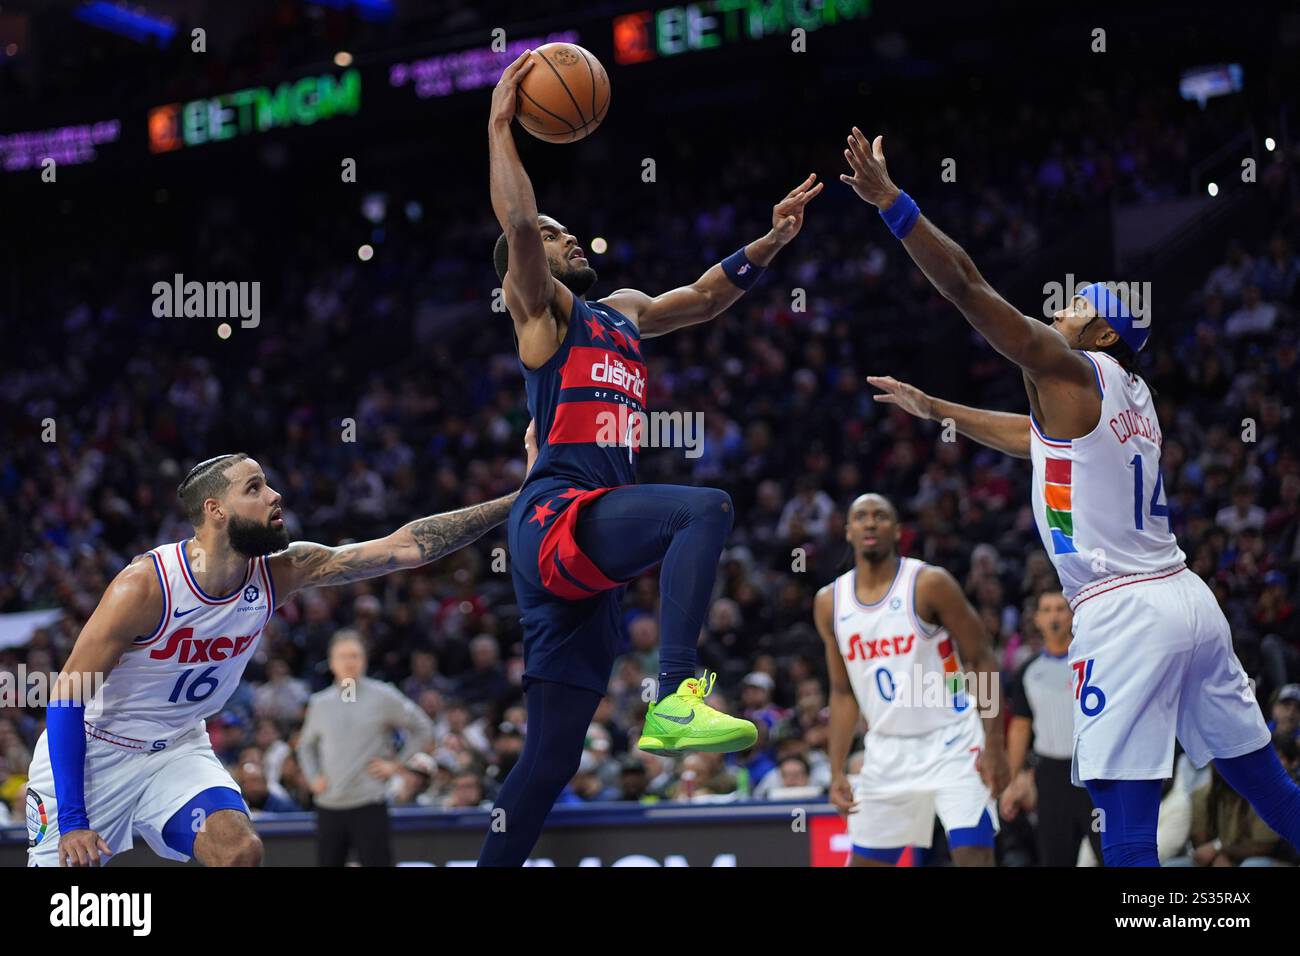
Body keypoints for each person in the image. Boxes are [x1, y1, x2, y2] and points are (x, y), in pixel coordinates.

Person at [844, 127, 1300, 866]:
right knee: (1269, 786)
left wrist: (893, 204)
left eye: (1078, 304)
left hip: (1123, 611)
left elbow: (965, 287)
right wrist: (939, 408)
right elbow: (1037, 441)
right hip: (1187, 599)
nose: (1060, 307)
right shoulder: (1126, 396)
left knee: (1122, 819)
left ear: (1102, 332)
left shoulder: (1070, 370)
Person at [478, 50, 822, 865]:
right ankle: (673, 693)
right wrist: (500, 123)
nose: (565, 237)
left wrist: (768, 243)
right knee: (701, 509)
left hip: (590, 545)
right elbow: (519, 226)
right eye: (557, 236)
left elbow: (702, 299)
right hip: (557, 512)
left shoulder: (621, 312)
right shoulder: (539, 313)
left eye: (565, 232)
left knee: (552, 758)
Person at [26, 429, 534, 867]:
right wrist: (73, 820)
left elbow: (403, 548)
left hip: (175, 748)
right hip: (92, 753)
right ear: (216, 510)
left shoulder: (282, 571)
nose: (275, 496)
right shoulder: (146, 586)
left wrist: (516, 500)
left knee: (238, 850)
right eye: (255, 487)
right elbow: (67, 695)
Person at [815, 493, 1008, 866]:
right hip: (887, 751)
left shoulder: (928, 583)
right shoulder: (829, 602)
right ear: (848, 532)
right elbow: (841, 693)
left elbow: (982, 658)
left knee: (973, 858)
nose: (870, 523)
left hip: (955, 741)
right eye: (861, 517)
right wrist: (837, 769)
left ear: (898, 531)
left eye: (881, 516)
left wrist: (995, 743)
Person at [297, 630, 436, 866]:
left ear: (364, 660)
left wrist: (397, 765)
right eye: (342, 656)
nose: (348, 662)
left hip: (369, 802)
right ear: (331, 662)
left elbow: (423, 727)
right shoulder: (319, 702)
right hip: (329, 805)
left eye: (354, 655)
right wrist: (312, 778)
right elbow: (305, 746)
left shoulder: (384, 695)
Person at [1001, 590, 1104, 866]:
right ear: (1037, 619)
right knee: (1054, 859)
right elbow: (1020, 728)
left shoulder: (1095, 662)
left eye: (1060, 608)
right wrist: (1014, 780)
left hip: (1093, 772)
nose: (1054, 615)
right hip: (1051, 777)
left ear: (1072, 615)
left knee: (1111, 855)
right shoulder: (1028, 671)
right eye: (1047, 610)